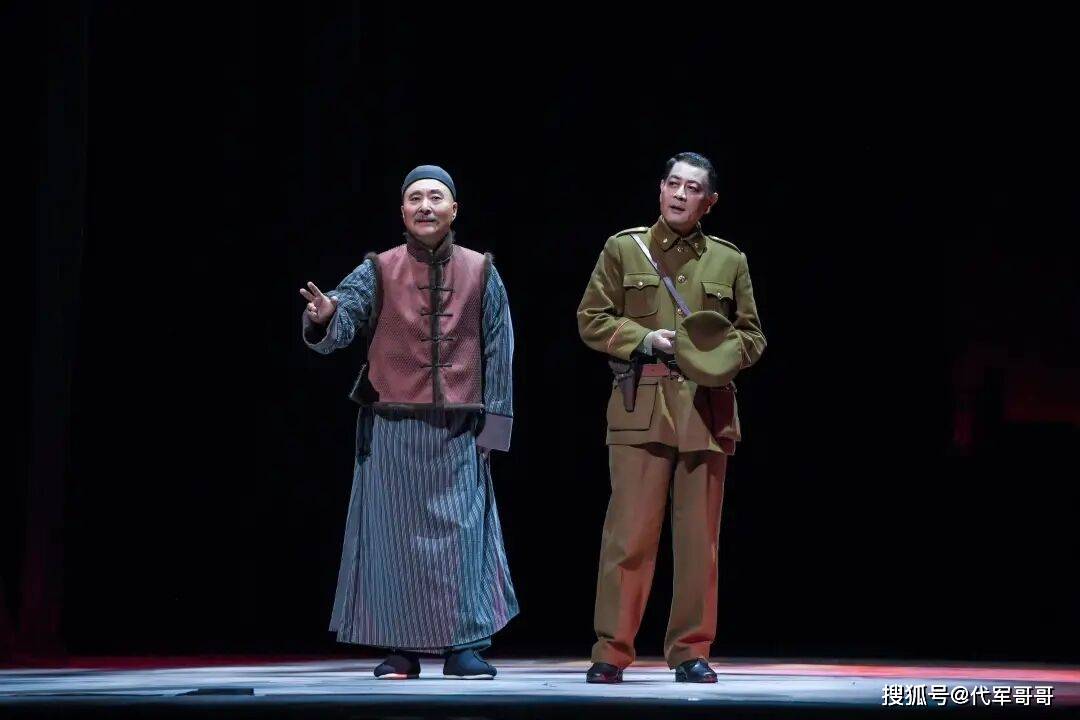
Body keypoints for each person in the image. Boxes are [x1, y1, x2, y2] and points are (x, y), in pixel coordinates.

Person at [300, 165, 518, 679]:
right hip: (393, 430)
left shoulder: (481, 271)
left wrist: (495, 430)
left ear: (454, 209)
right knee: (395, 544)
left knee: (463, 541)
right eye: (415, 198)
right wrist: (325, 316)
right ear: (402, 211)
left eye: (435, 197)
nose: (425, 206)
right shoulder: (378, 269)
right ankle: (401, 649)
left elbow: (499, 349)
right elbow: (343, 316)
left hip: (458, 432)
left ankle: (463, 646)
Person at [576, 152, 766, 683]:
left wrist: (716, 357)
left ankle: (690, 651)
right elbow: (591, 318)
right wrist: (644, 339)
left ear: (710, 201)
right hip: (640, 406)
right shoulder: (623, 248)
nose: (681, 194)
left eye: (693, 188)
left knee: (699, 543)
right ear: (660, 189)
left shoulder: (729, 260)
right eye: (674, 184)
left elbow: (752, 336)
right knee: (628, 537)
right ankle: (611, 652)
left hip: (706, 412)